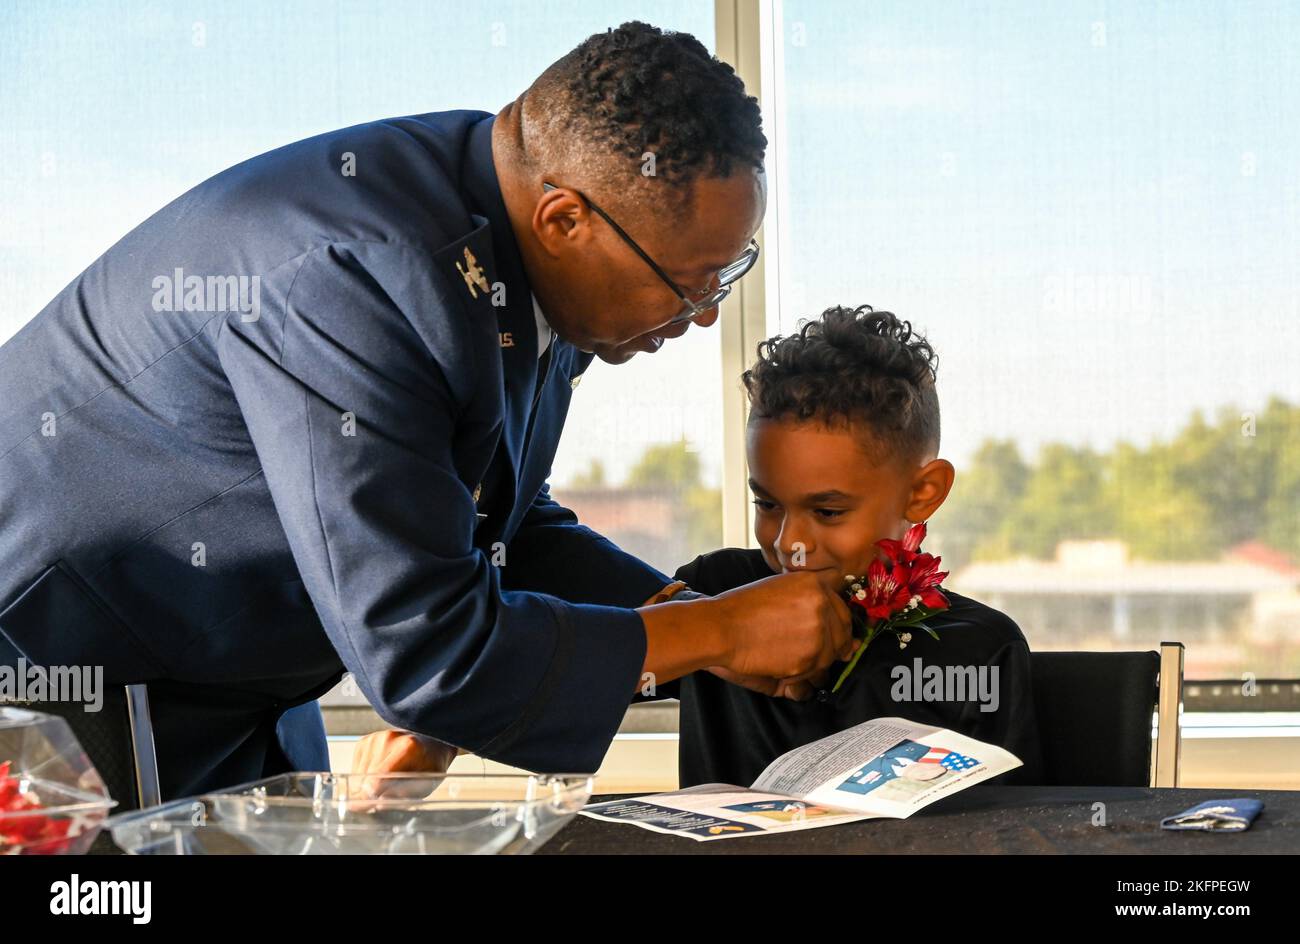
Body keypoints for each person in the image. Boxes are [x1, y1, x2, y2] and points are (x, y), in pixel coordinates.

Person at [0, 22, 853, 800]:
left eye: (725, 276)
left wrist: (677, 606)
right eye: (687, 282)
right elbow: (426, 652)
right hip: (65, 673)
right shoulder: (360, 280)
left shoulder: (515, 216)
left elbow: (488, 519)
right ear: (566, 219)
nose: (703, 313)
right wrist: (714, 631)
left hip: (235, 673)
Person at [657, 305, 1045, 788]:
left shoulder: (980, 648)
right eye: (768, 504)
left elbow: (1010, 826)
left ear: (923, 492)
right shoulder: (713, 592)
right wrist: (708, 627)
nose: (788, 543)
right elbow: (582, 673)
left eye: (828, 512)